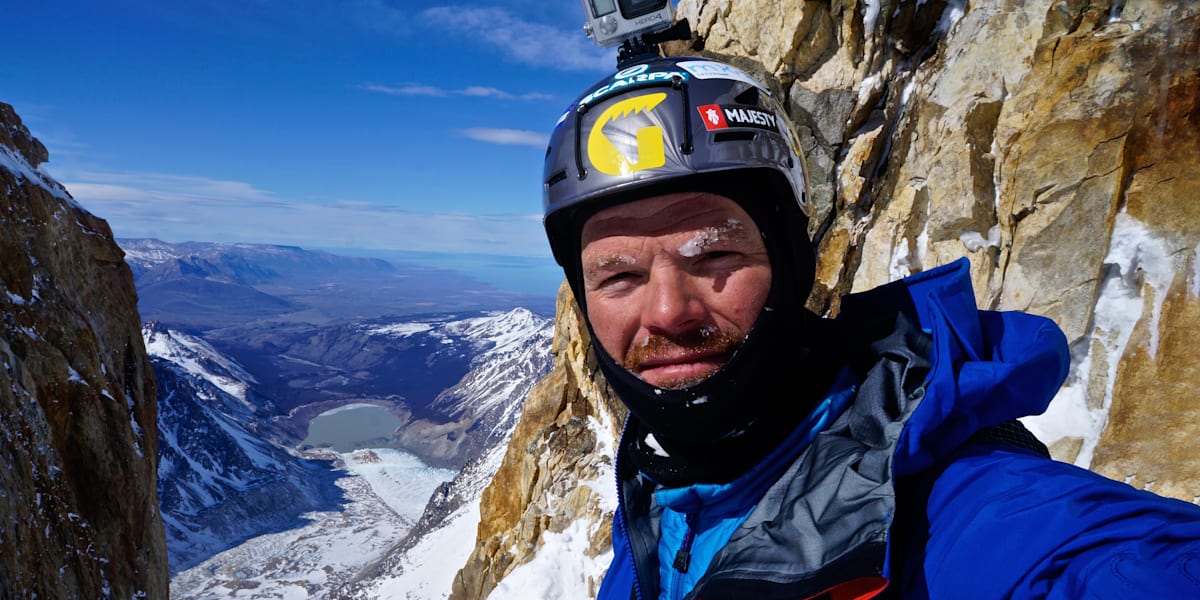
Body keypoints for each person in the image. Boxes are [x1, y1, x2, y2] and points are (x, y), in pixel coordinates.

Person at [541, 55, 1200, 599]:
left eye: (714, 254)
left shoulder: (964, 516)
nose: (665, 312)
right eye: (619, 275)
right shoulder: (660, 489)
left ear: (790, 262)